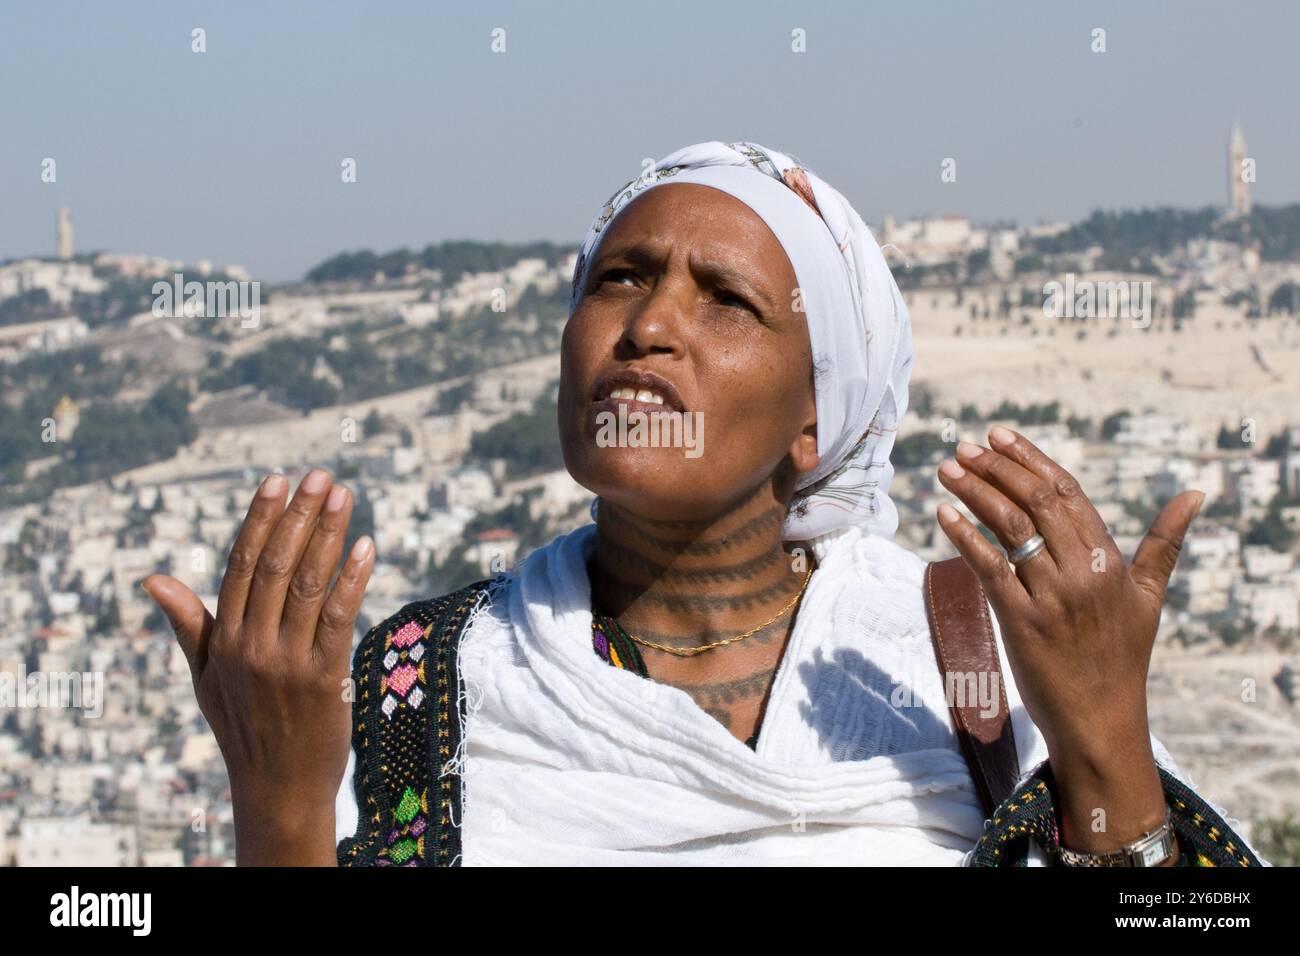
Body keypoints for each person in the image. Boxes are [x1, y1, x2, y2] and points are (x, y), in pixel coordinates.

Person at [144, 141, 1266, 867]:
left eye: (725, 298)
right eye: (620, 278)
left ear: (815, 418)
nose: (647, 328)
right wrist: (281, 808)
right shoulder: (420, 686)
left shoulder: (971, 661)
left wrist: (1104, 741)